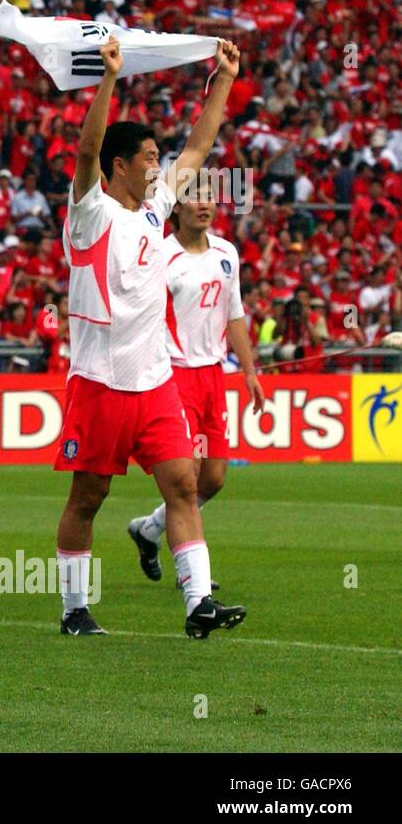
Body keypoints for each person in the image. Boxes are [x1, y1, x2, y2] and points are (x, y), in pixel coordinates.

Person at [52, 36, 247, 639]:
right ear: (120, 166)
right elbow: (86, 153)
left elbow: (198, 147)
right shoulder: (89, 212)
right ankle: (75, 609)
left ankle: (198, 605)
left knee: (185, 483)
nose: (158, 165)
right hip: (100, 383)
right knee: (89, 497)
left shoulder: (152, 212)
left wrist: (224, 81)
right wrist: (109, 80)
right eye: (147, 156)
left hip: (155, 378)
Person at [127, 180, 266, 582]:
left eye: (209, 198)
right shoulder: (161, 256)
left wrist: (249, 371)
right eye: (194, 198)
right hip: (172, 374)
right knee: (186, 476)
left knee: (214, 479)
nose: (204, 205)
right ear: (176, 209)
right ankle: (194, 574)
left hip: (213, 376)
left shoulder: (227, 253)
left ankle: (148, 530)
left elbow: (234, 314)